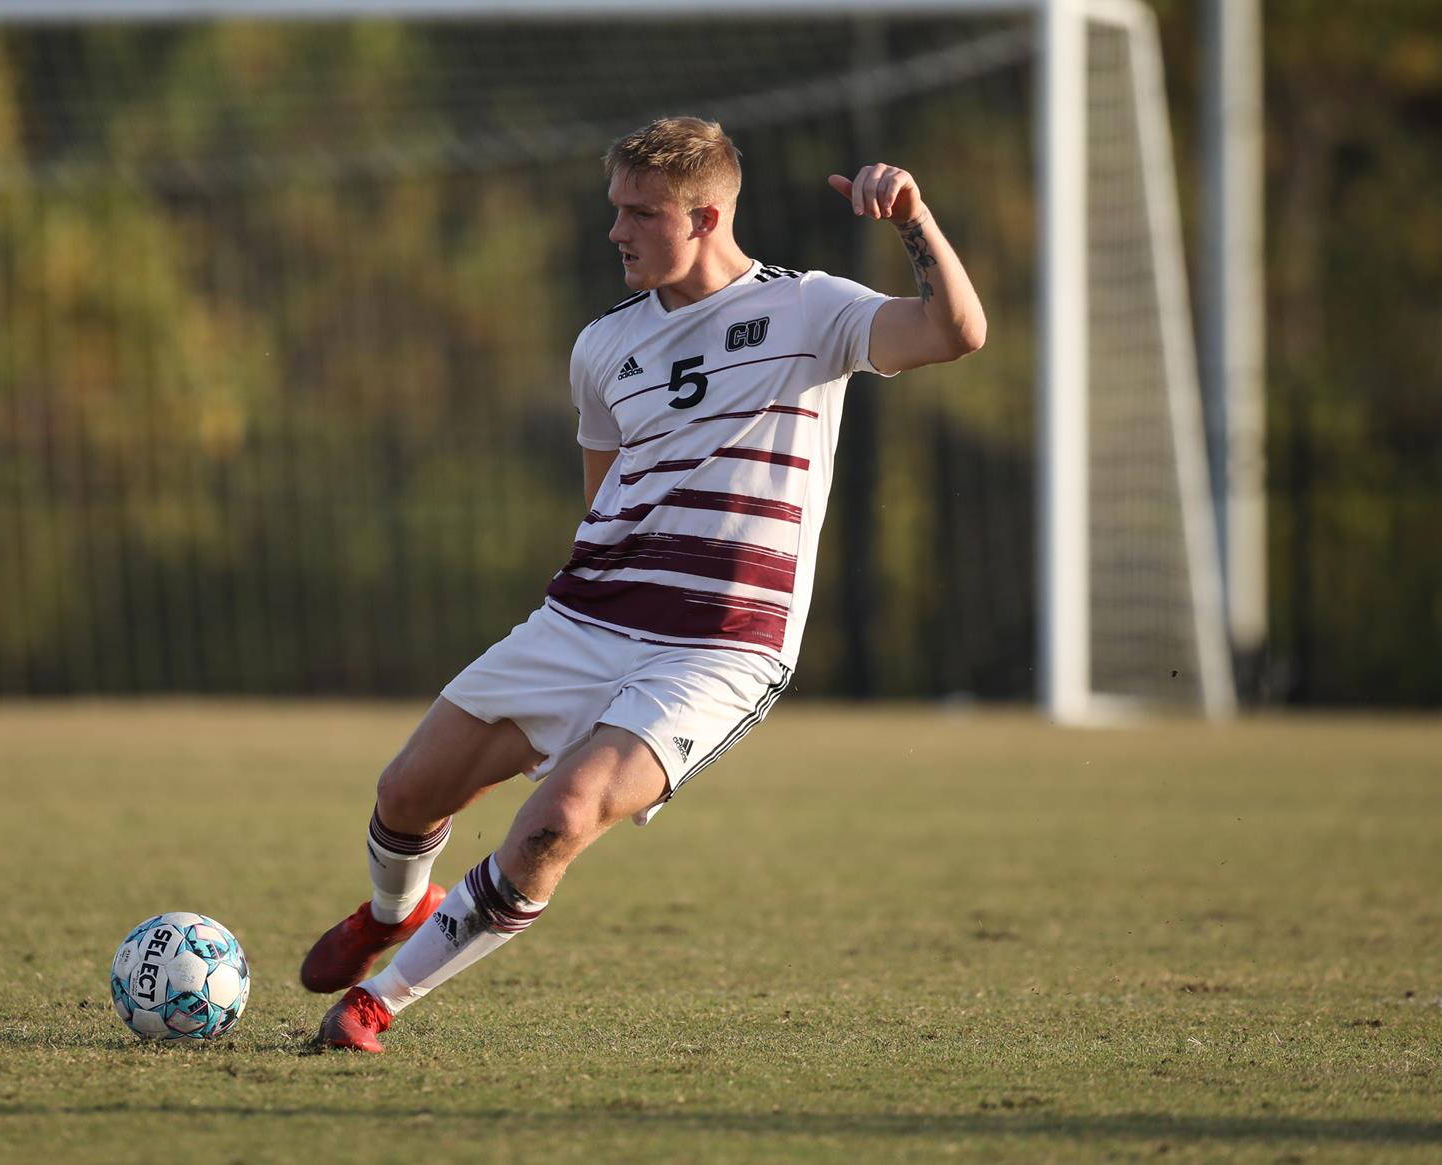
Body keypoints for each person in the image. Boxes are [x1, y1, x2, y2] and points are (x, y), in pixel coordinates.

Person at [303, 116, 987, 1052]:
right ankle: (391, 912)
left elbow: (958, 331)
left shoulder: (811, 311)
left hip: (719, 648)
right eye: (613, 210)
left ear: (705, 216)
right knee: (407, 793)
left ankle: (376, 1002)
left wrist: (915, 221)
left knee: (557, 823)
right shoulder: (602, 348)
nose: (616, 231)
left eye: (639, 213)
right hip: (589, 617)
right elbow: (602, 502)